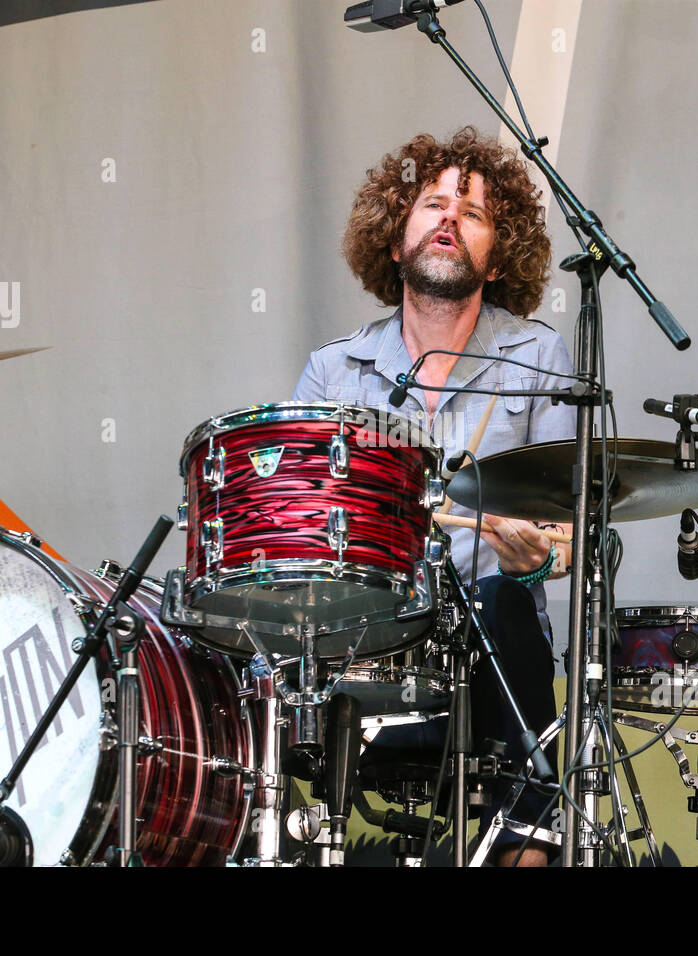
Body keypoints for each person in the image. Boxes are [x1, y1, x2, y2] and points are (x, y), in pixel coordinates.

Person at [292, 127, 575, 866]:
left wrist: (536, 559)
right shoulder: (334, 371)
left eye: (473, 212)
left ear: (496, 251)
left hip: (490, 631)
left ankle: (528, 847)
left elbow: (568, 538)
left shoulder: (538, 357)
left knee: (505, 602)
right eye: (432, 204)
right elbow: (301, 525)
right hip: (367, 636)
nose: (449, 219)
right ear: (395, 239)